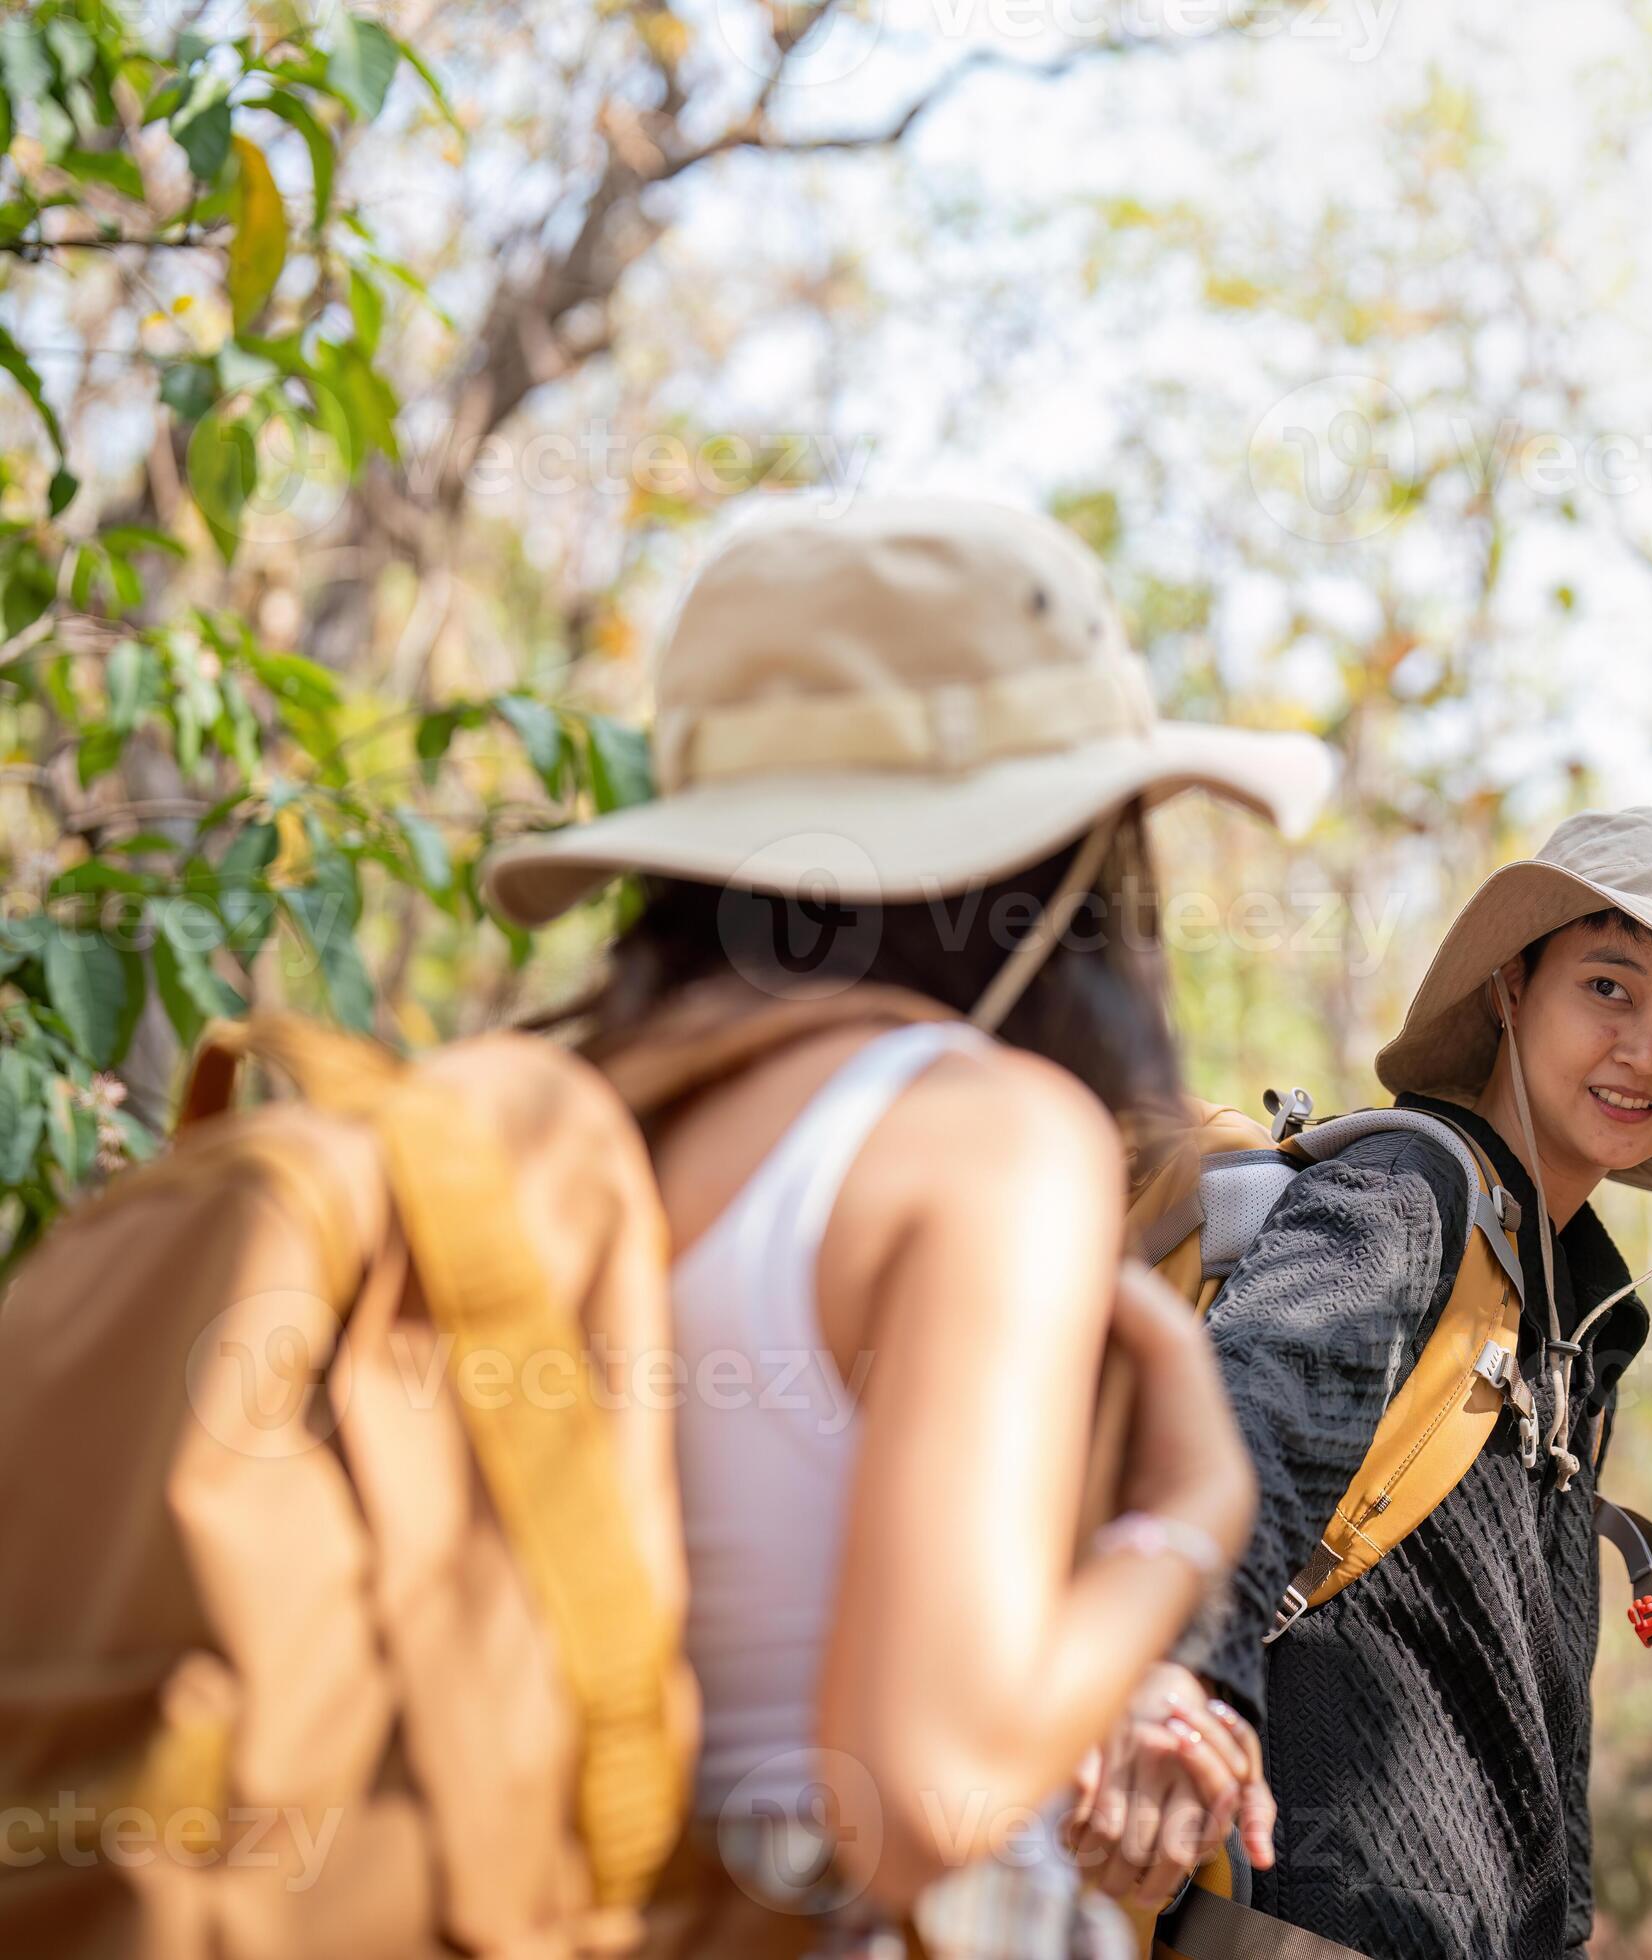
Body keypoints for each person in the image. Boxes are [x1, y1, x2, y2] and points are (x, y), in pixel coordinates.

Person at [482, 498, 1335, 1954]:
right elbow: (916, 1797)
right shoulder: (981, 1134)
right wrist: (1187, 1523)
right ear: (1064, 854)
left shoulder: (546, 1118)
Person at [1067, 807, 1652, 1960]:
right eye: (1608, 987)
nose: (1647, 1049)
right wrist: (1188, 1681)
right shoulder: (1409, 1197)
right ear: (1510, 987)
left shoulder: (1563, 1310)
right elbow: (1250, 1428)